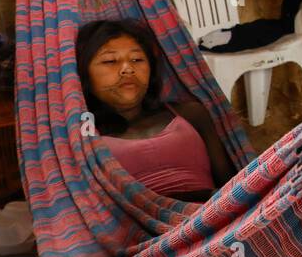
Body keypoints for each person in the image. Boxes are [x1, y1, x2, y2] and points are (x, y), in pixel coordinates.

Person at [76, 19, 236, 201]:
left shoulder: (190, 114)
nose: (127, 69)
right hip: (148, 227)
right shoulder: (85, 136)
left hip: (215, 221)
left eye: (137, 59)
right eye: (110, 61)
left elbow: (231, 185)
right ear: (84, 73)